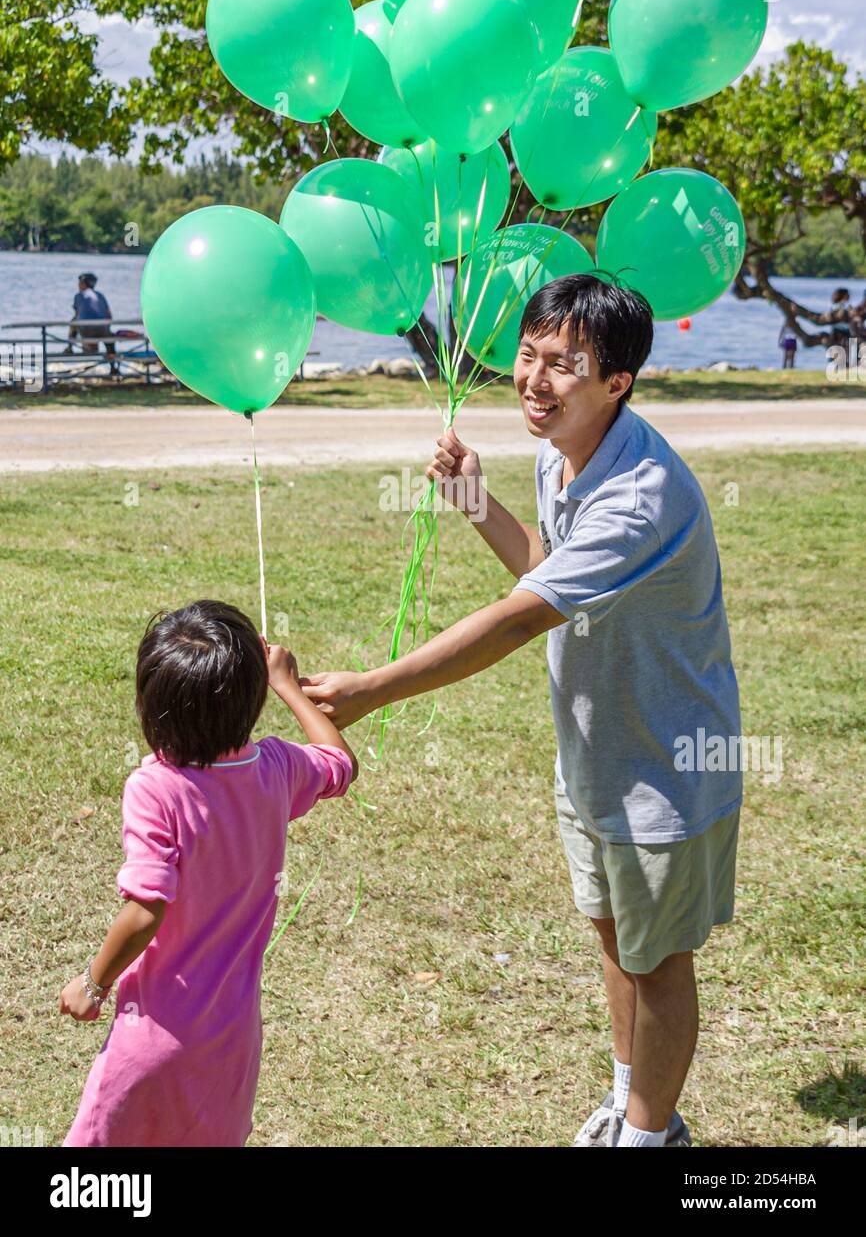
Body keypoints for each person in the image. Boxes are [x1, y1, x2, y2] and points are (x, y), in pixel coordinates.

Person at [304, 274, 743, 1149]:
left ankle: (654, 1138)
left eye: (563, 365)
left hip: (665, 767)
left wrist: (369, 690)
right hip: (596, 753)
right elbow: (549, 565)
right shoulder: (560, 451)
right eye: (529, 355)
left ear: (617, 381)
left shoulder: (641, 493)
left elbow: (519, 618)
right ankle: (629, 1098)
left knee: (659, 965)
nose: (534, 380)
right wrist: (476, 500)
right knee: (615, 934)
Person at [60, 600, 357, 1147]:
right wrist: (289, 686)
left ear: (152, 705)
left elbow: (146, 908)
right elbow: (339, 763)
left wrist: (92, 983)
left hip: (151, 1036)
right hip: (232, 1041)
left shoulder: (155, 788)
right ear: (252, 698)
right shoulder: (276, 767)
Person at [66, 271, 118, 375]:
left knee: (73, 321)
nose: (78, 285)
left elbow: (77, 314)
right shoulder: (100, 295)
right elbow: (109, 316)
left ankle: (70, 347)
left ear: (84, 284)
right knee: (110, 342)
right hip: (103, 330)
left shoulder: (78, 296)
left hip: (87, 331)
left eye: (80, 283)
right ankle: (113, 367)